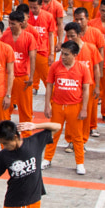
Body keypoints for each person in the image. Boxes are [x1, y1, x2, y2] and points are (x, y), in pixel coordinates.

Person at [42, 40, 91, 175]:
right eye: (62, 54)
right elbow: (49, 86)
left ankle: (80, 163)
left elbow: (86, 89)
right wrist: (47, 105)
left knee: (77, 136)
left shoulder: (82, 69)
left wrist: (84, 109)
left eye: (66, 54)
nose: (63, 57)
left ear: (75, 55)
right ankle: (47, 159)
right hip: (57, 105)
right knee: (53, 134)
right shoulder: (55, 67)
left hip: (75, 107)